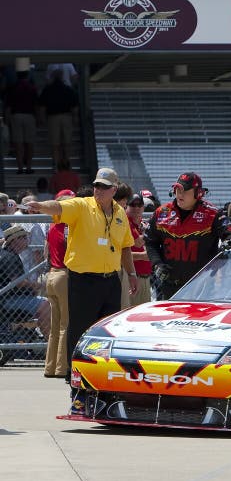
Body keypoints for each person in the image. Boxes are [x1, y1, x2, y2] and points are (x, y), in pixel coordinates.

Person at [26, 168, 137, 394]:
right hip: (84, 281)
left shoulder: (119, 213)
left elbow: (126, 246)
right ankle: (75, 377)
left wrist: (132, 274)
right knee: (79, 331)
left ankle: (103, 378)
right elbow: (59, 207)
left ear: (114, 189)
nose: (98, 189)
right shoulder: (82, 205)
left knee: (108, 332)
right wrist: (40, 206)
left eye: (104, 186)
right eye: (96, 185)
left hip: (111, 281)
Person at [144, 172, 231, 300]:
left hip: (202, 287)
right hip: (167, 285)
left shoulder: (212, 213)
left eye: (185, 191)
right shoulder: (161, 213)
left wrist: (228, 242)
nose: (179, 194)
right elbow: (150, 241)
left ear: (198, 193)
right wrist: (157, 264)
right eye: (177, 189)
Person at [43, 189, 75, 378]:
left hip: (52, 274)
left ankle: (50, 366)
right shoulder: (67, 228)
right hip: (64, 274)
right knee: (65, 324)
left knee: (55, 325)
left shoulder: (52, 227)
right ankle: (62, 367)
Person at [0, 225, 51, 341]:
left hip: (8, 298)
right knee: (45, 305)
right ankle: (50, 342)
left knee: (41, 301)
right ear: (14, 240)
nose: (27, 240)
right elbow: (18, 283)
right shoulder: (10, 258)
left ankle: (34, 336)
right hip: (6, 301)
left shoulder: (6, 253)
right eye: (23, 238)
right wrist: (37, 285)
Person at [38, 69, 79, 167]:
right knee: (67, 142)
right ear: (62, 77)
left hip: (53, 118)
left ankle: (56, 165)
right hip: (66, 117)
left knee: (55, 144)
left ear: (52, 77)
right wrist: (75, 117)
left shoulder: (47, 90)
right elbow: (74, 106)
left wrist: (42, 118)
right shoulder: (68, 89)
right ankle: (66, 163)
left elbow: (42, 107)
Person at [3, 71, 37, 174]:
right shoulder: (32, 88)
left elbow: (8, 106)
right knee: (29, 143)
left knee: (18, 143)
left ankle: (20, 167)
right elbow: (36, 104)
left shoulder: (12, 88)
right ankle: (29, 167)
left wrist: (7, 120)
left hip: (16, 115)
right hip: (29, 115)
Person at [125, 193, 153, 308]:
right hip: (131, 278)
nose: (136, 208)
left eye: (139, 205)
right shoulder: (125, 222)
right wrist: (143, 256)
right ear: (126, 206)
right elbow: (121, 254)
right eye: (132, 204)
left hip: (146, 278)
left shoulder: (142, 223)